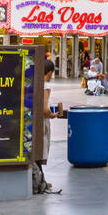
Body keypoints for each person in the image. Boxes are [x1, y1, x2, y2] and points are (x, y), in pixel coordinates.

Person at [34, 59, 63, 194]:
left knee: (36, 151)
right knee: (41, 151)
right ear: (49, 72)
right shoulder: (45, 86)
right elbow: (44, 109)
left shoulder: (34, 82)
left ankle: (42, 180)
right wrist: (53, 114)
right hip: (42, 121)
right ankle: (41, 182)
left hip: (34, 121)